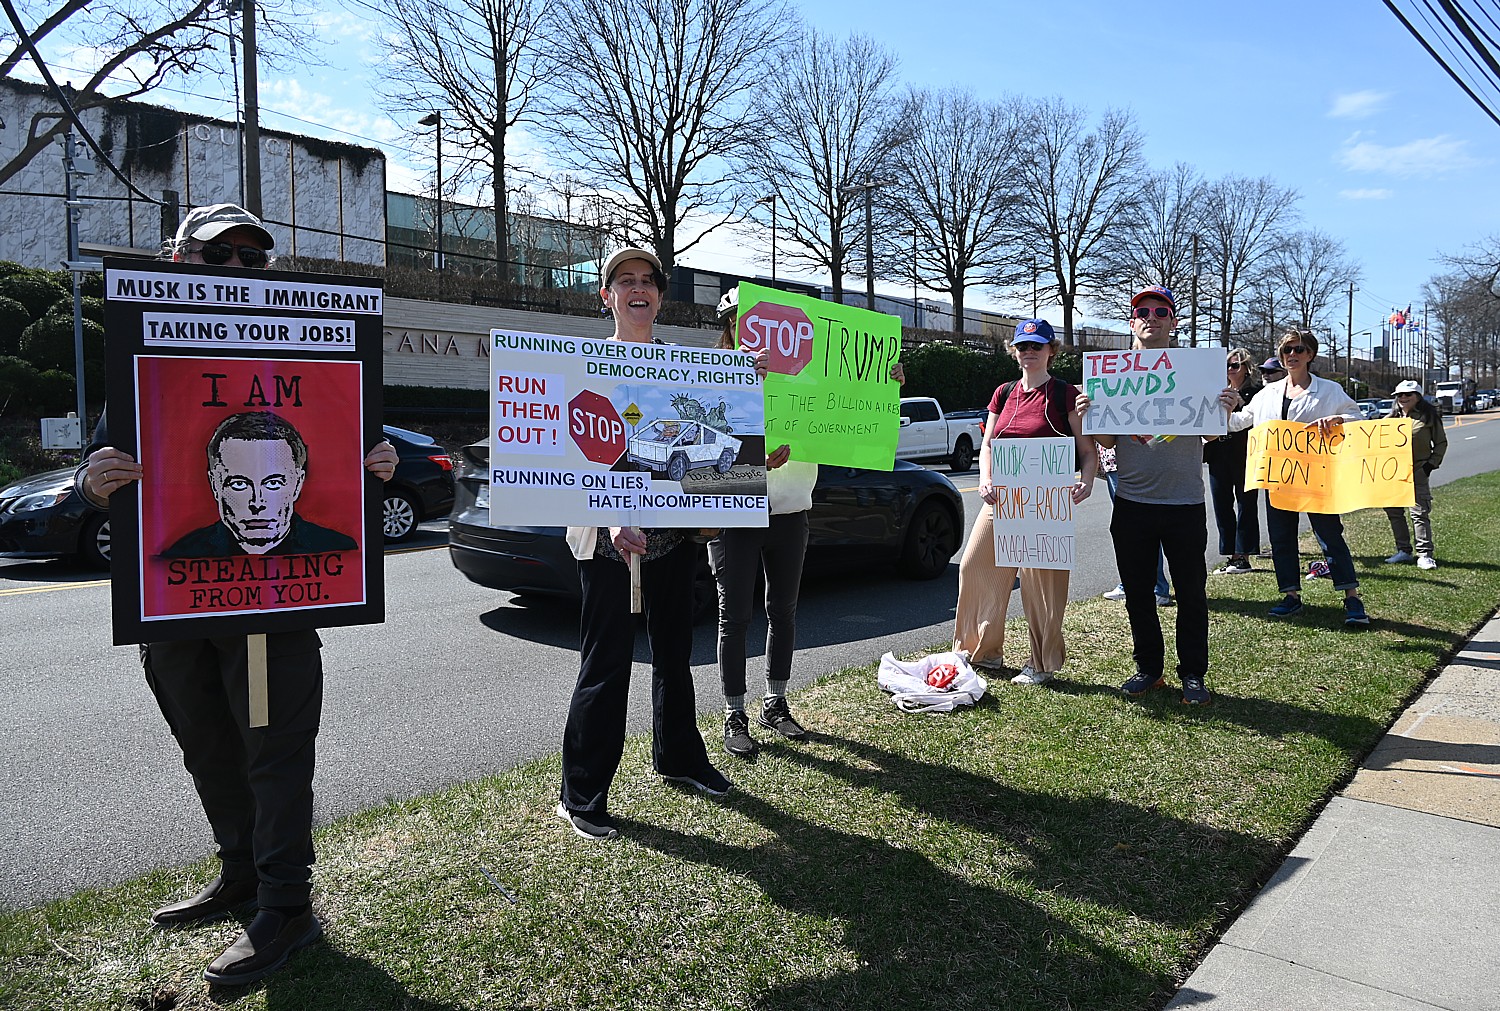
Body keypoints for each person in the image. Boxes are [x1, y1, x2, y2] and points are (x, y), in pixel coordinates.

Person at [77, 202, 398, 988]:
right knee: (209, 746)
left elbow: (356, 443)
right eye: (221, 259)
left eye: (255, 263)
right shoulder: (143, 350)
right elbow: (99, 466)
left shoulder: (308, 351)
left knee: (273, 755)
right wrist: (96, 479)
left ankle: (286, 906)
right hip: (176, 605)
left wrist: (378, 459)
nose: (240, 275)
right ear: (179, 263)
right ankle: (242, 875)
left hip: (272, 612)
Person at [557, 248, 739, 839]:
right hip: (607, 546)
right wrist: (611, 516)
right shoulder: (582, 365)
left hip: (670, 541)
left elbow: (712, 445)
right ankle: (581, 794)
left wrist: (748, 394)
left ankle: (680, 759)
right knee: (605, 665)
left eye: (648, 281)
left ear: (660, 295)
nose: (638, 290)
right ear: (606, 295)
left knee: (674, 658)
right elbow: (566, 452)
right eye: (624, 281)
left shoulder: (685, 369)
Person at [709, 288, 905, 757]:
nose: (750, 325)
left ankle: (775, 702)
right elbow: (702, 450)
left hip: (793, 508)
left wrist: (887, 380)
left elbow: (851, 407)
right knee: (733, 615)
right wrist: (757, 463)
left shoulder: (812, 372)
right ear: (731, 326)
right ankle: (734, 711)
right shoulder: (713, 377)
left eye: (756, 316)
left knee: (784, 609)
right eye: (739, 318)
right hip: (735, 512)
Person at [1084, 286, 1240, 706]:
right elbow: (1108, 441)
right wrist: (1089, 414)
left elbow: (1210, 431)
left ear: (1173, 322)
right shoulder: (1114, 374)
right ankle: (1149, 669)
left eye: (1160, 311)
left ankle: (1193, 675)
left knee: (1191, 593)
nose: (1150, 317)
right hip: (1132, 503)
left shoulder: (1195, 372)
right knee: (1139, 593)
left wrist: (1225, 405)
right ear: (1132, 323)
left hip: (1184, 503)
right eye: (1142, 312)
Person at [953, 319, 1095, 686]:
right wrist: (985, 479)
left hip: (1046, 501)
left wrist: (1087, 480)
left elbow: (1086, 450)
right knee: (974, 566)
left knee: (1041, 583)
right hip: (1001, 498)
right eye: (1022, 347)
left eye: (1037, 346)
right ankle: (981, 653)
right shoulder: (1002, 393)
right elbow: (987, 445)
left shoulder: (1065, 395)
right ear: (1013, 352)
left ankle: (1042, 663)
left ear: (1051, 351)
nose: (1029, 352)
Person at [1227, 330, 1368, 626]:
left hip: (1317, 475)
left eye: (1299, 349)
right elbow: (1239, 422)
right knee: (1281, 538)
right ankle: (1290, 595)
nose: (1292, 354)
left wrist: (1337, 419)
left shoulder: (1328, 391)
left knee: (1329, 536)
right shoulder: (1268, 393)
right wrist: (1224, 406)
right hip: (1278, 478)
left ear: (1310, 355)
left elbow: (1358, 418)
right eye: (1287, 349)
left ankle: (1352, 597)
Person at [164, 411, 357, 557]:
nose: (257, 503)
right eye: (239, 484)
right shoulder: (180, 556)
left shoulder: (339, 551)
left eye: (273, 483)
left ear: (297, 484)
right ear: (215, 485)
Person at [1204, 347, 1263, 574]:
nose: (1229, 369)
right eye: (1226, 365)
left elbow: (1253, 419)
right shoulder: (1216, 391)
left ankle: (1244, 556)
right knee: (1221, 504)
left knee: (1246, 504)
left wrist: (1239, 403)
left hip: (1245, 454)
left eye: (1235, 365)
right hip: (1218, 453)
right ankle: (1231, 554)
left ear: (1246, 369)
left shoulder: (1256, 394)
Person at [1384, 379, 1447, 570]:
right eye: (1399, 395)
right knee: (1394, 512)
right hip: (1393, 474)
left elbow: (1441, 443)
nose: (1403, 398)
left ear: (1417, 396)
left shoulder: (1428, 417)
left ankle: (1425, 554)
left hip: (1418, 471)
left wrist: (1428, 467)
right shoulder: (1389, 419)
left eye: (1407, 394)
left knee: (1419, 513)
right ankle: (1403, 550)